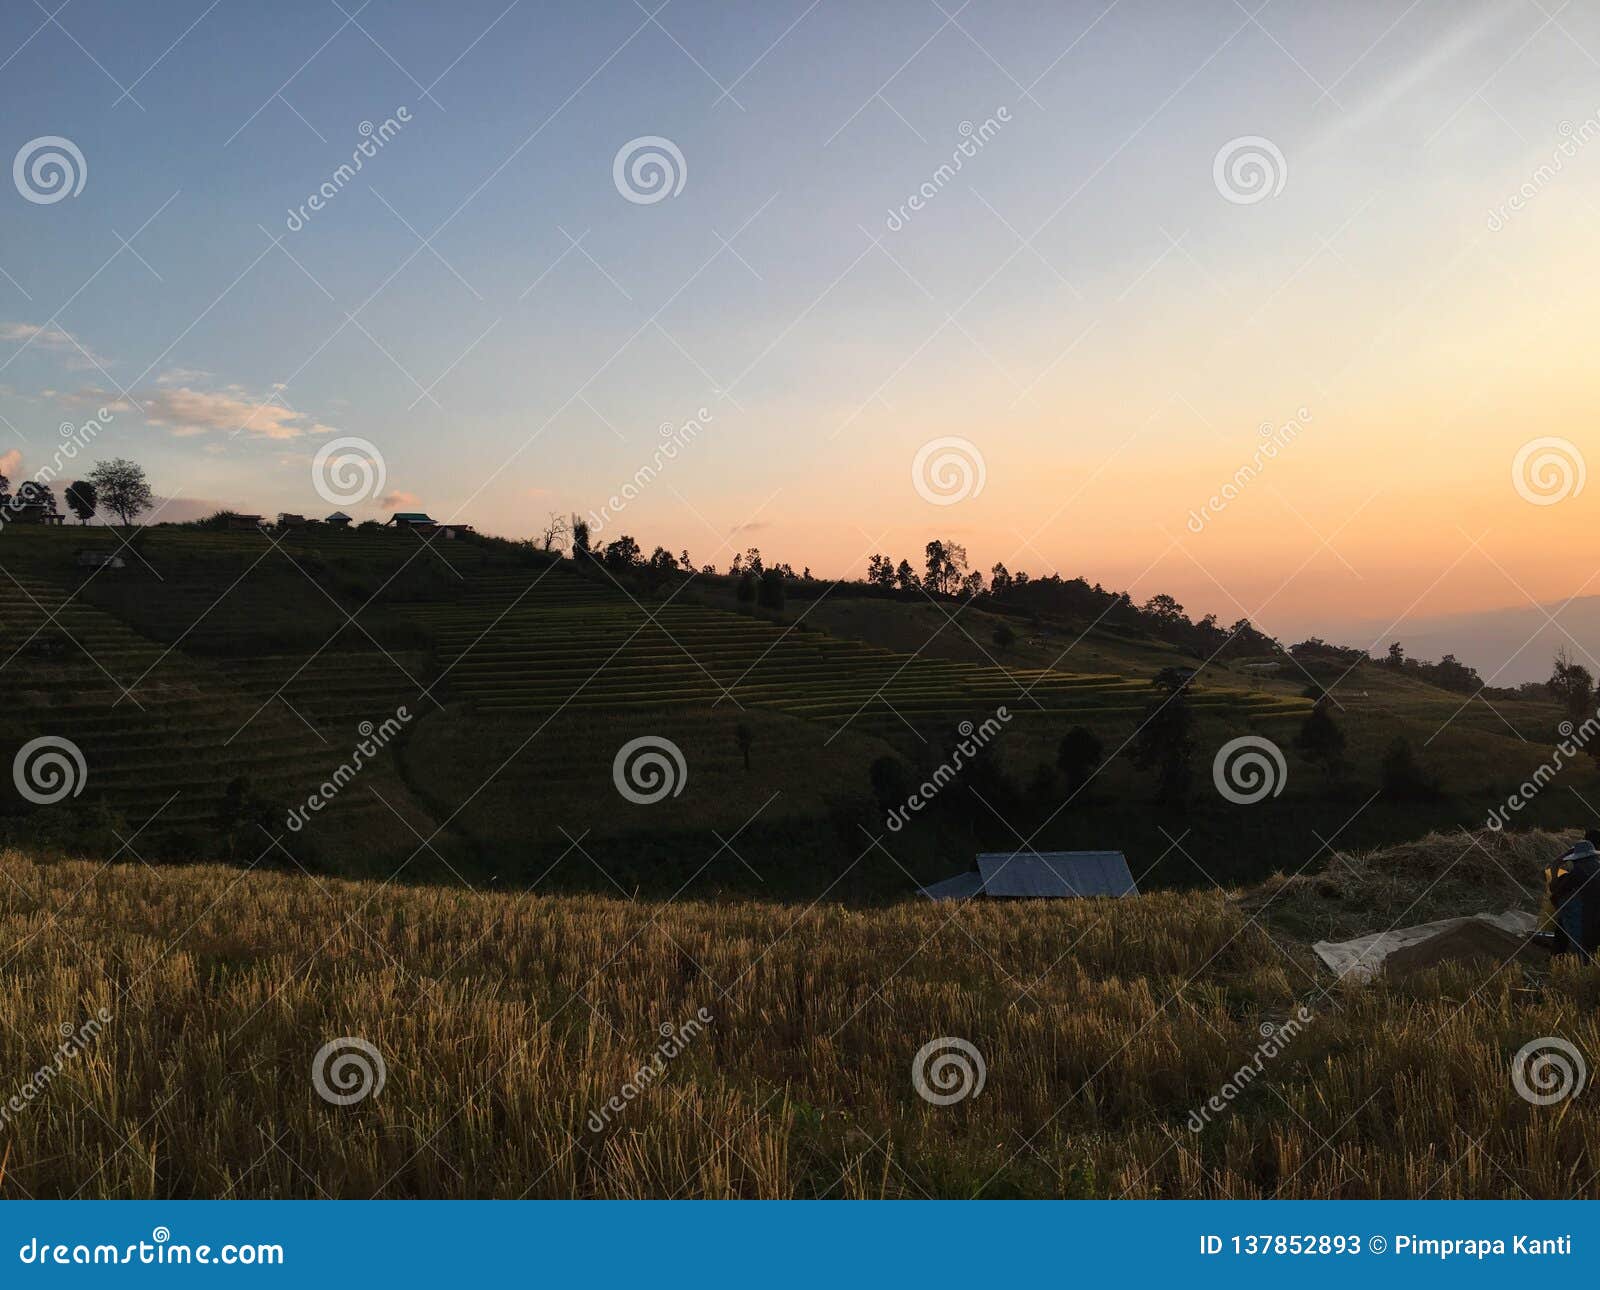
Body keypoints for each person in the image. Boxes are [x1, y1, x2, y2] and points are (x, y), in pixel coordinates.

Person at [1550, 839, 1600, 960]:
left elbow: (1555, 894)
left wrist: (1555, 866)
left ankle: (1558, 956)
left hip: (1588, 922)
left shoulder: (1577, 873)